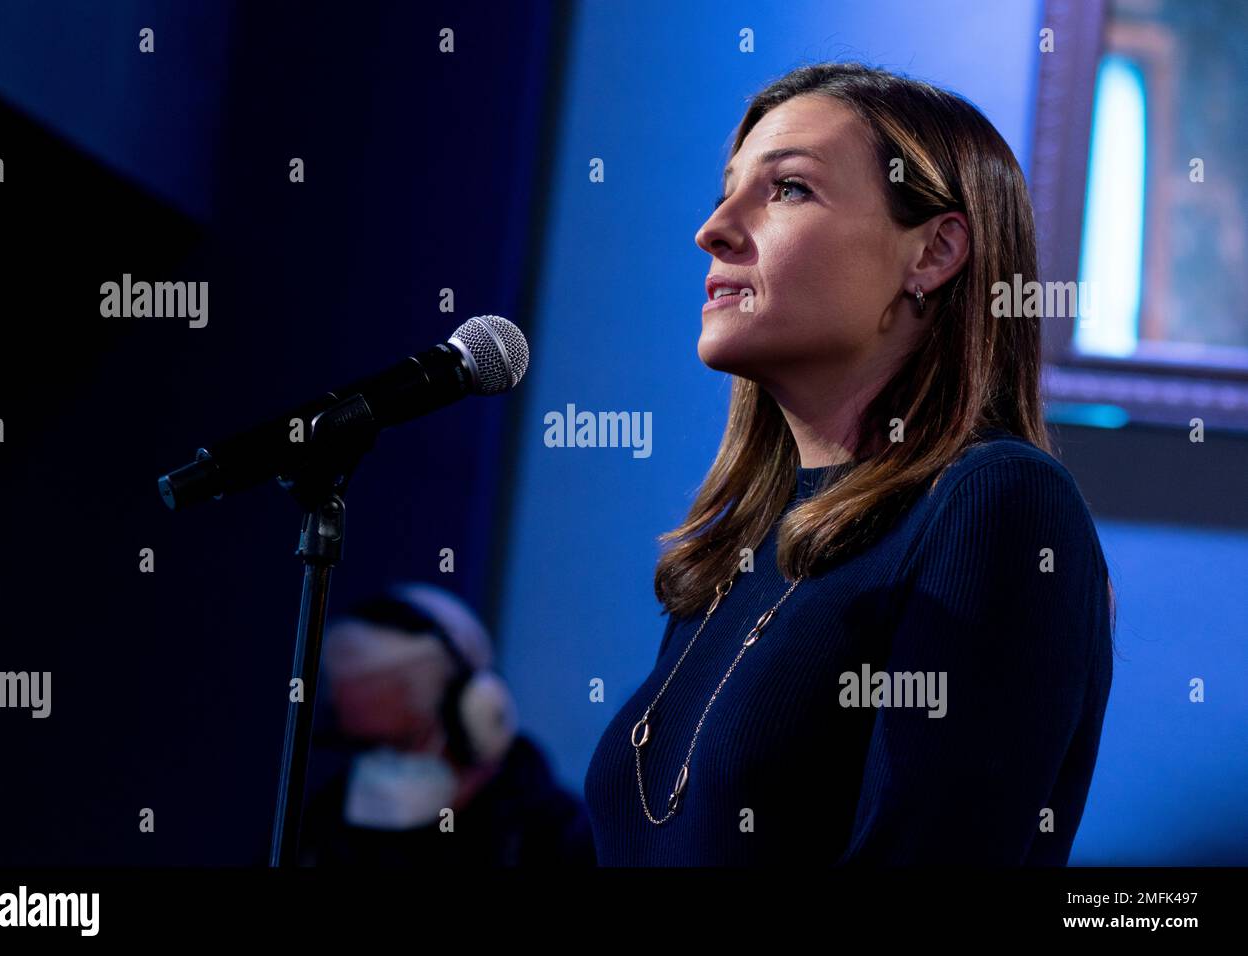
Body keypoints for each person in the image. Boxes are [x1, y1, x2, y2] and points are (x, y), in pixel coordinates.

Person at [583, 62, 1116, 866]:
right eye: (726, 190)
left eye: (788, 188)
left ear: (933, 254)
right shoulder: (740, 543)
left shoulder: (998, 502)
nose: (715, 228)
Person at [298, 582, 595, 866]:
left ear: (473, 715)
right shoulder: (321, 829)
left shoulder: (564, 840)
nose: (379, 766)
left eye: (401, 742)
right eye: (365, 745)